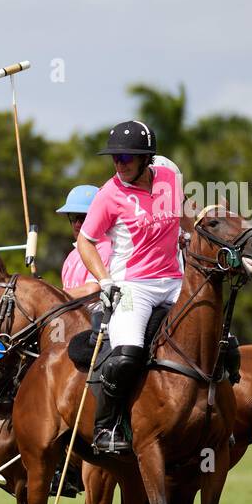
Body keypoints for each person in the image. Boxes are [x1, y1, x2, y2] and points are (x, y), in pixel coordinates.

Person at [76, 121, 184, 454]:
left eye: (126, 156)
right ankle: (107, 426)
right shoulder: (109, 195)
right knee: (127, 356)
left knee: (220, 341)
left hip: (176, 281)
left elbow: (185, 222)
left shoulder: (169, 180)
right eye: (115, 157)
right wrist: (105, 280)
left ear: (145, 159)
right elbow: (86, 241)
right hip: (134, 286)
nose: (119, 163)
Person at [57, 184, 108, 298]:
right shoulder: (71, 256)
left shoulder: (105, 247)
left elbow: (92, 291)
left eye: (83, 217)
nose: (77, 224)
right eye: (73, 217)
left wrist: (52, 295)